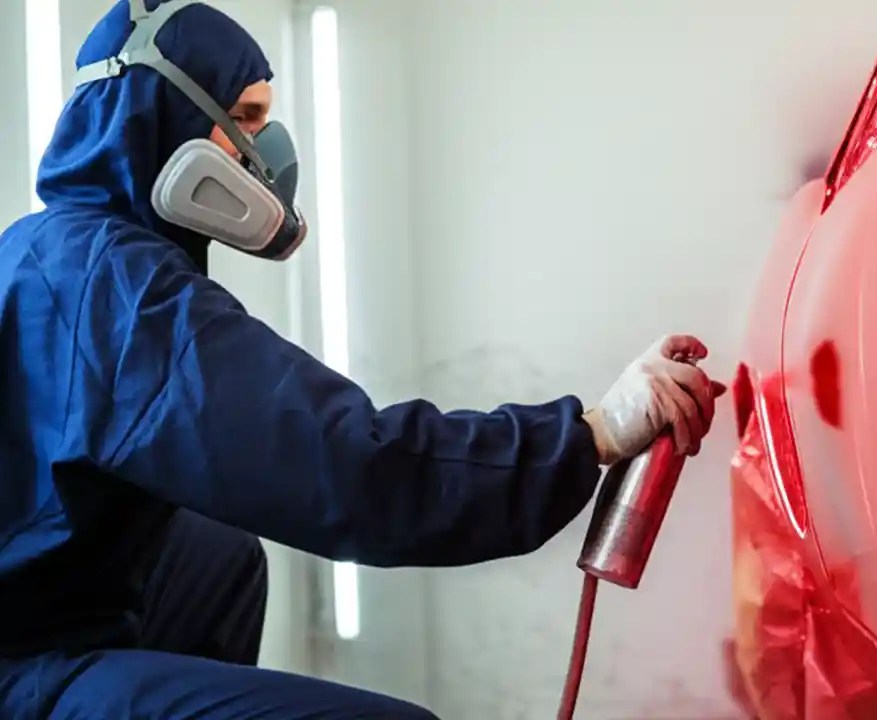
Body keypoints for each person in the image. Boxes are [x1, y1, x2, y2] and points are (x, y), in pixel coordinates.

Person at [0, 1, 721, 717]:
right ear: (170, 117)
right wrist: (591, 434)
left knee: (220, 554)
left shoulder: (50, 251)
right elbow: (344, 466)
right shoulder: (111, 287)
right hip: (22, 664)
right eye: (246, 117)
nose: (266, 146)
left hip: (32, 608)